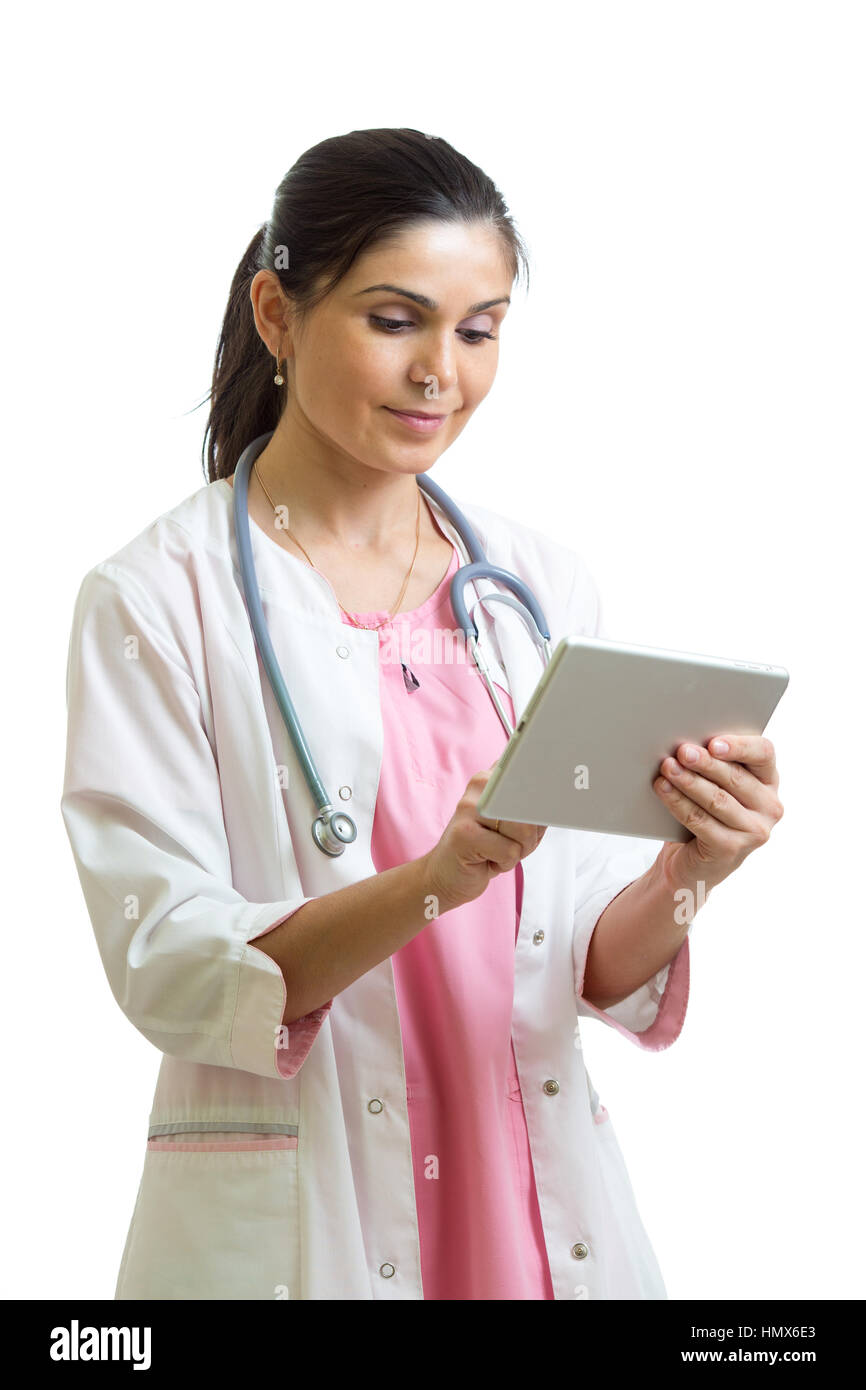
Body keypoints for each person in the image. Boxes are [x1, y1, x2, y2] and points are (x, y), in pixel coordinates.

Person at [60, 128, 784, 1301]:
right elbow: (171, 964)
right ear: (277, 313)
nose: (440, 370)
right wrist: (432, 879)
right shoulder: (156, 598)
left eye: (478, 328)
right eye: (394, 320)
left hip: (529, 1202)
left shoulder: (539, 589)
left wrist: (692, 867)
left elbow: (586, 958)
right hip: (316, 1208)